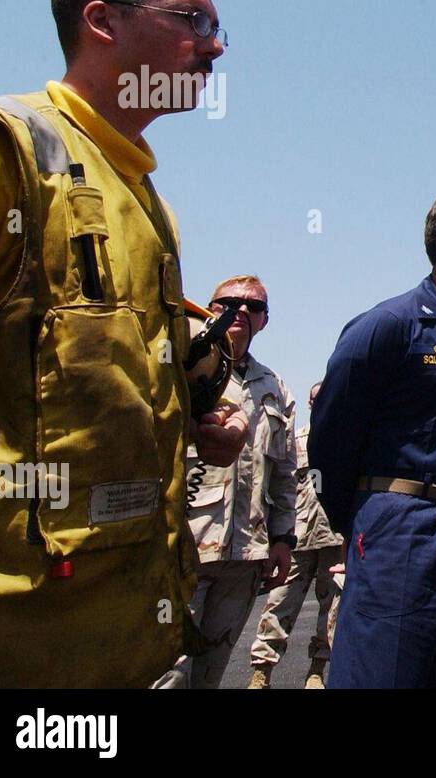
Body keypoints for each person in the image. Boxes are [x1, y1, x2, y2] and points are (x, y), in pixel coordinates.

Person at [0, 0, 245, 688]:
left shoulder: (150, 206)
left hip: (115, 643)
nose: (214, 48)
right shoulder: (0, 148)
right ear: (102, 21)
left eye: (219, 28)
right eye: (193, 20)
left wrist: (192, 421)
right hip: (5, 645)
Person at [310, 191, 436, 688]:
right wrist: (365, 516)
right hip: (401, 530)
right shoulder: (388, 327)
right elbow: (332, 437)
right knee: (381, 672)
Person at [158, 275, 298, 689]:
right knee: (169, 671)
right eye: (228, 303)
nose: (240, 312)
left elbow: (284, 473)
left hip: (245, 553)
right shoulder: (177, 371)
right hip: (187, 544)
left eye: (252, 307)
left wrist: (283, 540)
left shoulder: (273, 387)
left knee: (210, 671)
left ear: (263, 322)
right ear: (210, 310)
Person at [249, 381, 346, 689]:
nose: (320, 404)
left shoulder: (347, 442)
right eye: (314, 399)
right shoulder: (296, 442)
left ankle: (316, 671)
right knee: (278, 604)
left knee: (330, 611)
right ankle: (261, 673)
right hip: (298, 538)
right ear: (308, 403)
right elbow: (278, 489)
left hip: (334, 539)